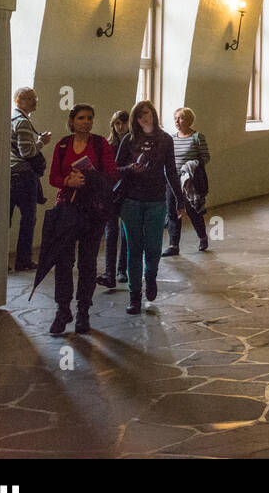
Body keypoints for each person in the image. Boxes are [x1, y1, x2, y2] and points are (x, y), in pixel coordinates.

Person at [46, 104, 118, 336]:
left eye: (89, 118)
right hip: (67, 207)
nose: (85, 122)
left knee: (87, 262)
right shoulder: (63, 145)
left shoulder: (100, 144)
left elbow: (112, 175)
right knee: (63, 261)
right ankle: (62, 309)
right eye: (81, 118)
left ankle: (83, 310)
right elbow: (53, 176)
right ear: (72, 121)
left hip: (92, 210)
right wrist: (68, 181)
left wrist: (89, 176)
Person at [113, 100, 183, 315]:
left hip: (155, 200)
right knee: (134, 248)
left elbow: (171, 171)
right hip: (131, 201)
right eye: (140, 114)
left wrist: (180, 199)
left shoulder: (165, 140)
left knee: (153, 247)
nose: (145, 117)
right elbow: (116, 169)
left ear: (153, 114)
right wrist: (130, 168)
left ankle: (150, 276)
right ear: (135, 118)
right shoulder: (129, 140)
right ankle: (134, 296)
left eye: (148, 113)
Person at [10, 88, 52, 271]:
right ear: (19, 100)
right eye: (31, 99)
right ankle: (23, 260)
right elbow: (27, 152)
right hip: (24, 176)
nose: (35, 101)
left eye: (36, 98)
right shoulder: (23, 123)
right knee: (28, 220)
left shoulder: (9, 119)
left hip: (9, 175)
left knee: (6, 220)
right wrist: (42, 142)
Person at [165, 106, 211, 255]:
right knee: (172, 211)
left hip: (189, 181)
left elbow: (205, 157)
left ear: (189, 120)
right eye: (175, 118)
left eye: (181, 118)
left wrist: (192, 164)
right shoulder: (171, 138)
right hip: (172, 181)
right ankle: (173, 245)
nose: (177, 121)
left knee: (193, 211)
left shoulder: (197, 137)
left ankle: (202, 237)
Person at [98, 110, 130, 289]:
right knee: (111, 233)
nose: (120, 127)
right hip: (110, 193)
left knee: (125, 234)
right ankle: (109, 272)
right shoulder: (108, 144)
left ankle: (121, 270)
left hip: (127, 193)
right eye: (117, 123)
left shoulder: (133, 144)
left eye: (123, 123)